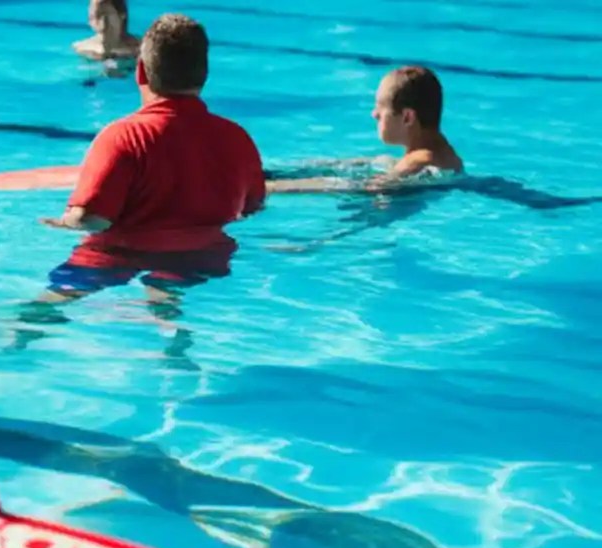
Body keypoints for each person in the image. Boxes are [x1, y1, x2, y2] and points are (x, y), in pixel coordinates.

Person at [29, 14, 264, 329]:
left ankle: (12, 335)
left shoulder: (122, 136)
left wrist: (66, 222)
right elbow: (251, 207)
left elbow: (94, 218)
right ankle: (172, 335)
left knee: (48, 305)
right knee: (169, 298)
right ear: (204, 74)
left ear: (140, 71)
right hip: (203, 254)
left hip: (118, 253)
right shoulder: (237, 137)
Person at [269, 66, 462, 194]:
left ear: (407, 117)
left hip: (397, 202)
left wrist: (276, 188)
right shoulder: (442, 153)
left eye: (381, 107)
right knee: (371, 162)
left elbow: (361, 188)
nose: (374, 114)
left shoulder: (419, 162)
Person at [73, 0, 139, 63]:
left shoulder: (140, 48)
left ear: (122, 16)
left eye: (105, 14)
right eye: (95, 15)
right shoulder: (81, 48)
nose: (102, 21)